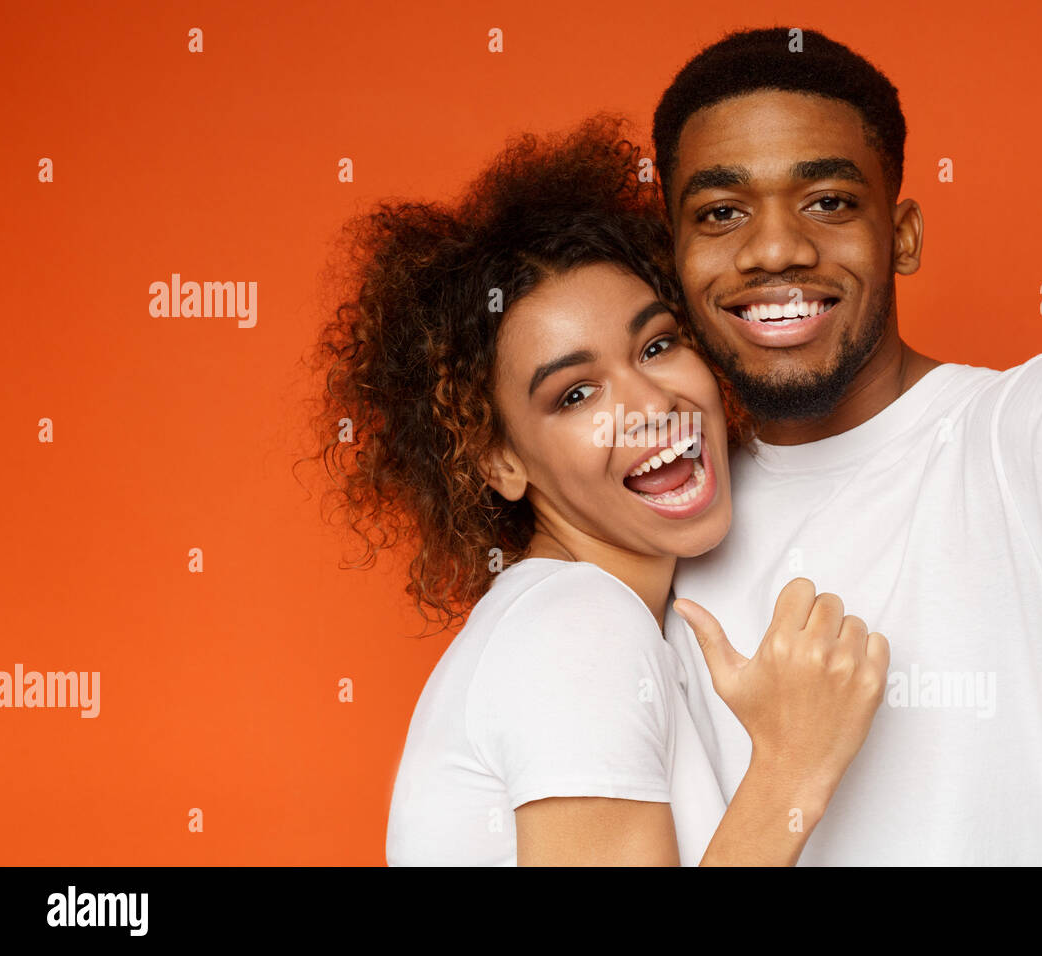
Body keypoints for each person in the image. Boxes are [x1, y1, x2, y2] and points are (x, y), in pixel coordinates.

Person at [651, 26, 1042, 865]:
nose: (775, 249)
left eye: (830, 202)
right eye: (722, 212)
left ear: (904, 236)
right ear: (674, 256)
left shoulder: (1019, 438)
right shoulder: (659, 521)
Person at [305, 114, 891, 865]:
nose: (649, 406)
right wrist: (792, 769)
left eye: (657, 345)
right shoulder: (577, 624)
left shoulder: (573, 619)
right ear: (499, 460)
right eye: (575, 394)